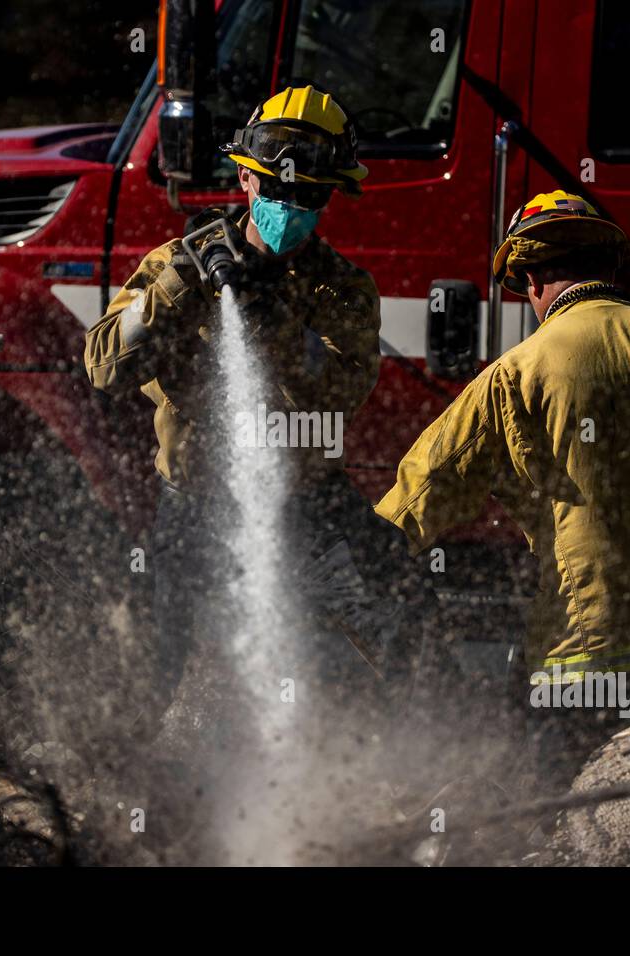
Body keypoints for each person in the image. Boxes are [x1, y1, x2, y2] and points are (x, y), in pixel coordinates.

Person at [376, 190, 630, 780]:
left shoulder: (518, 371)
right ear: (608, 265)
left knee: (559, 793)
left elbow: (430, 483)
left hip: (589, 646)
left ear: (536, 277)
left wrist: (371, 552)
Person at [85, 86, 426, 741]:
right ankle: (120, 800)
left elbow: (342, 394)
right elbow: (103, 364)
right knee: (152, 669)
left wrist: (278, 330)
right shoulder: (173, 267)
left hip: (310, 508)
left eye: (311, 197)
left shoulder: (342, 288)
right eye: (280, 189)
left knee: (403, 618)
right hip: (194, 509)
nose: (293, 209)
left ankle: (403, 772)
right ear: (245, 177)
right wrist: (182, 287)